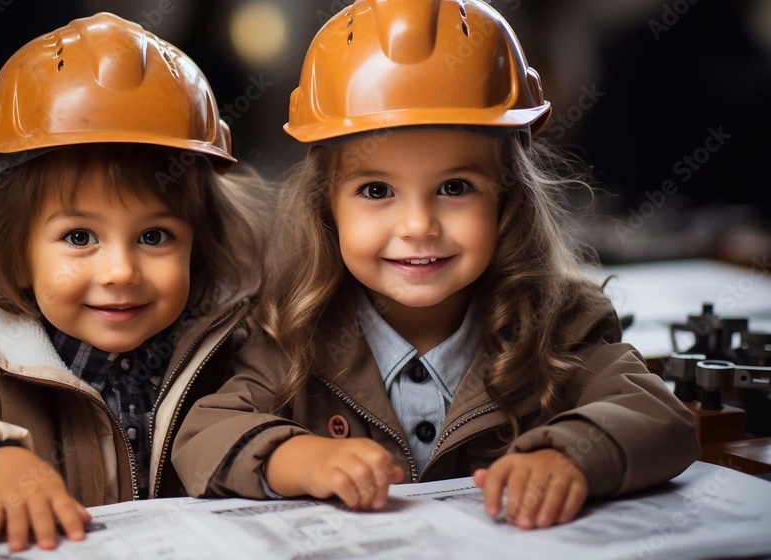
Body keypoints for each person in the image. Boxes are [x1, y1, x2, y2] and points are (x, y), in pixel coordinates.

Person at [172, 0, 699, 531]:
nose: (419, 225)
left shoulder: (559, 323)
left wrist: (569, 455)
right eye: (376, 190)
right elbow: (202, 435)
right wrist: (298, 459)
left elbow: (659, 417)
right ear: (326, 206)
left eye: (455, 188)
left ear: (507, 198)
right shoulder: (294, 330)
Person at [0, 13, 268, 552]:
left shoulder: (235, 343)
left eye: (154, 236)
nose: (120, 271)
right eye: (80, 237)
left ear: (201, 241)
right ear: (16, 249)